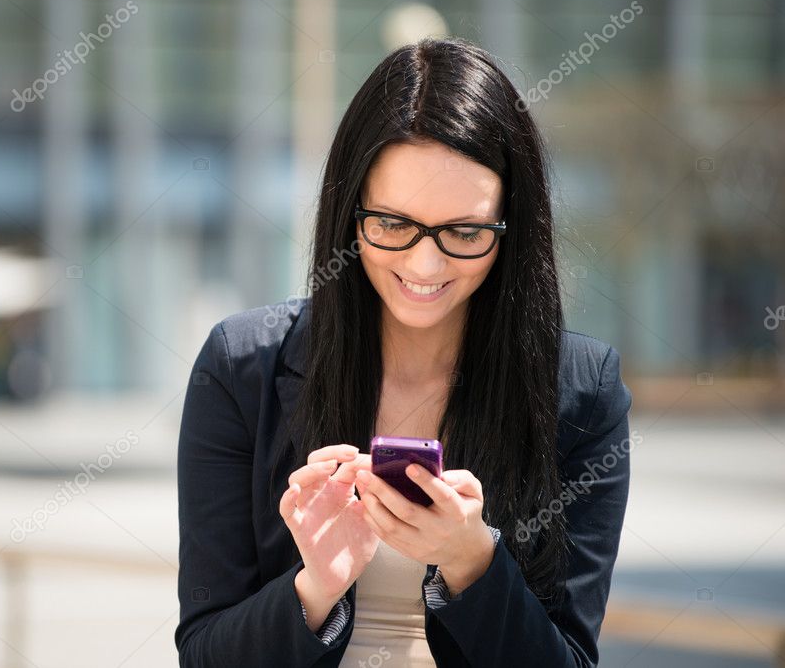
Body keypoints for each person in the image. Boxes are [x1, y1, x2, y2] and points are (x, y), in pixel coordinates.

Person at [175, 36, 632, 667]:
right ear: (348, 213)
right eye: (392, 225)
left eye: (465, 232)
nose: (425, 263)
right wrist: (316, 587)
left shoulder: (583, 390)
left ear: (512, 227)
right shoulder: (241, 367)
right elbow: (204, 656)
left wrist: (474, 561)